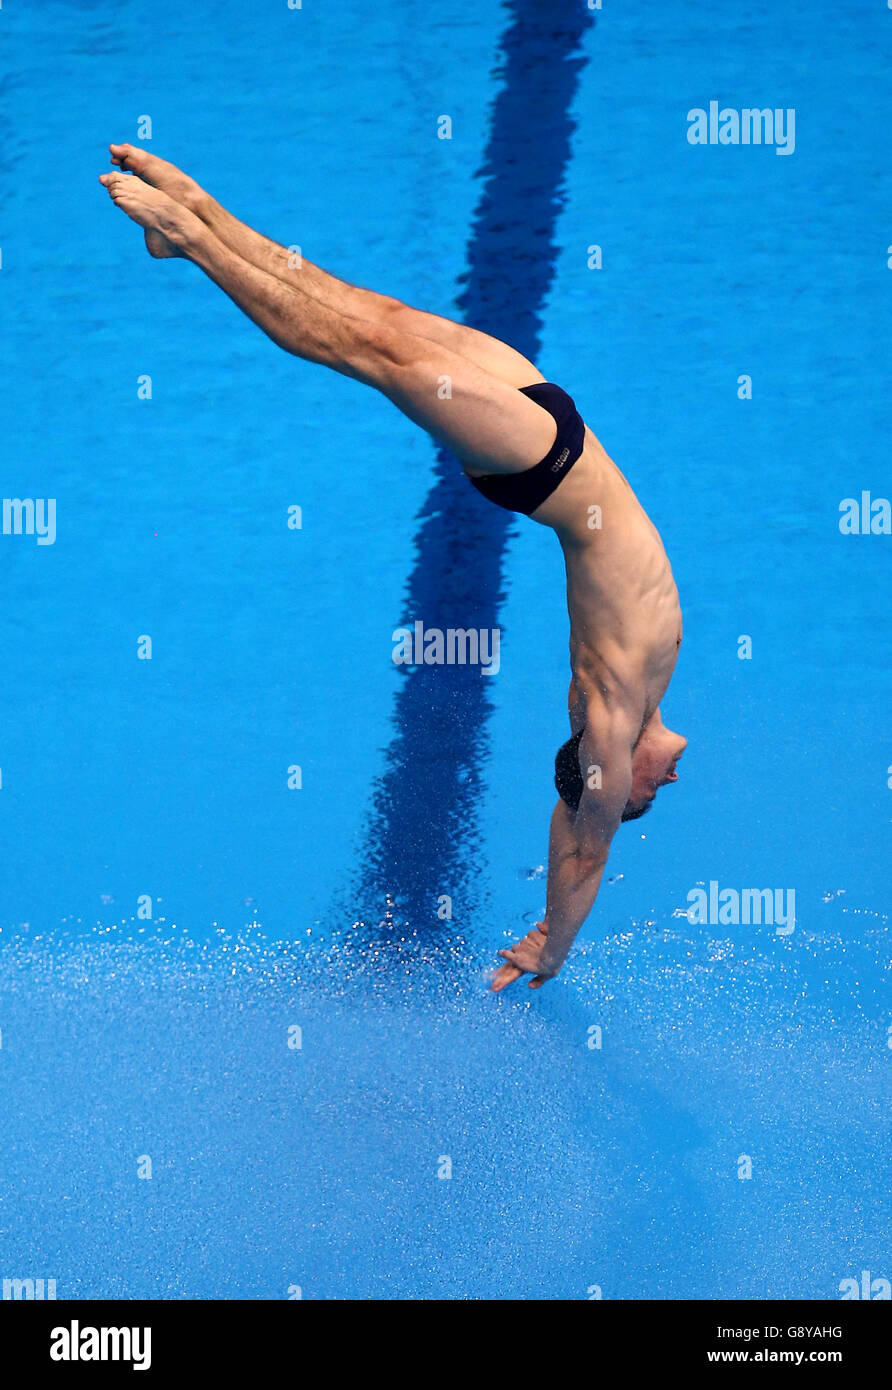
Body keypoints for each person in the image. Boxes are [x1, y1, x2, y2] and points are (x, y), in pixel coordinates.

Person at [99, 144, 687, 992]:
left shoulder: (609, 713)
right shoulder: (643, 693)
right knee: (364, 311)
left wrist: (555, 945)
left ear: (609, 776)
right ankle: (199, 209)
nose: (669, 781)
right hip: (550, 418)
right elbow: (585, 820)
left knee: (354, 347)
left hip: (543, 460)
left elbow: (584, 842)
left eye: (648, 797)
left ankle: (190, 240)